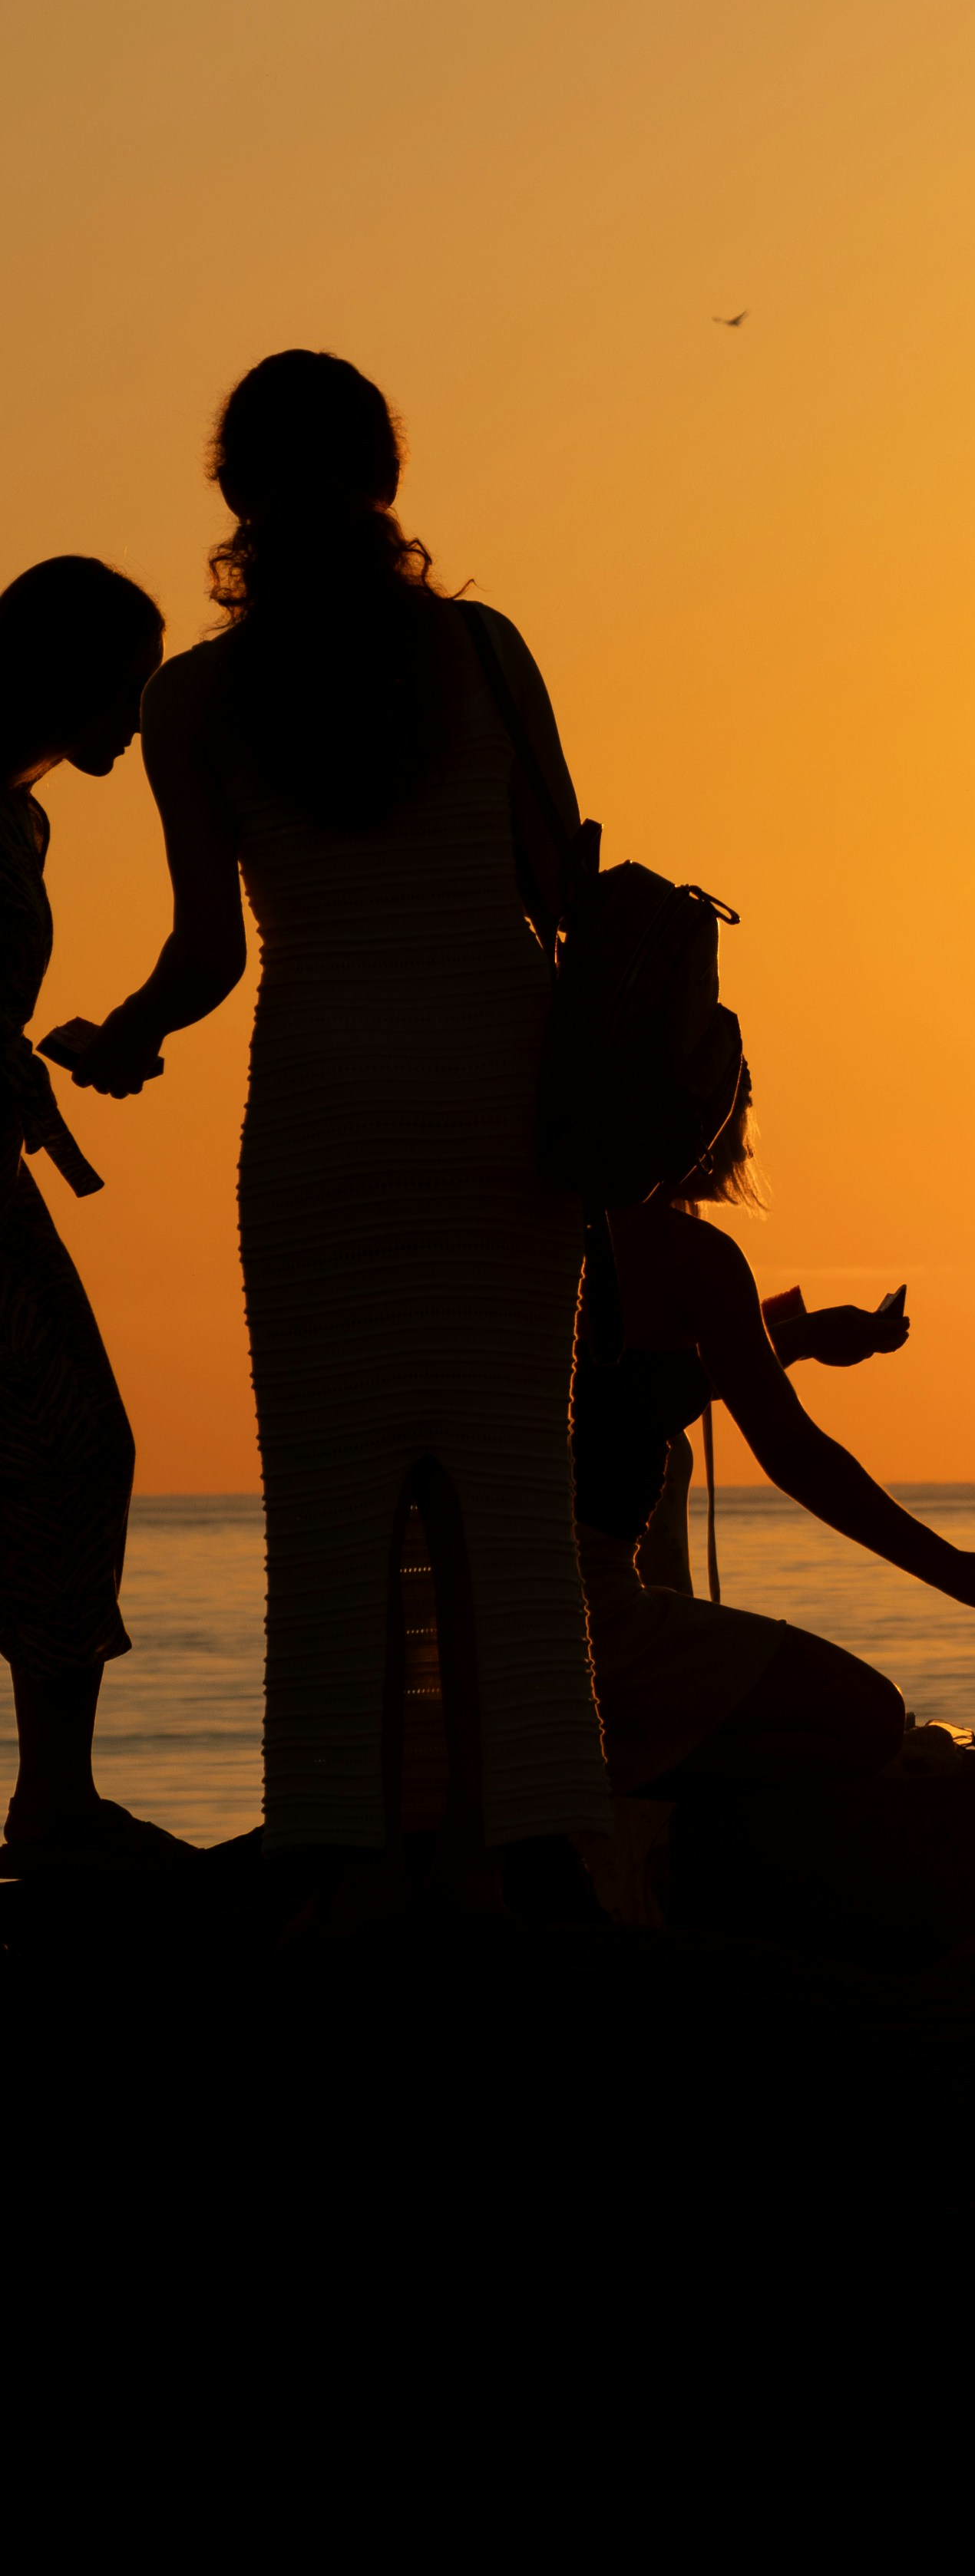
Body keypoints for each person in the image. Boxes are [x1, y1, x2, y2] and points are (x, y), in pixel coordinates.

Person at [48, 354, 607, 1915]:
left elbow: (208, 957)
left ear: (234, 492)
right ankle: (546, 1850)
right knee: (508, 1477)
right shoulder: (481, 653)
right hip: (502, 1089)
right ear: (387, 481)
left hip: (325, 1110)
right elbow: (561, 887)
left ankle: (336, 1846)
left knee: (332, 1486)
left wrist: (122, 1035)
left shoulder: (195, 695)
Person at [577, 1065, 975, 1796]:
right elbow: (795, 1455)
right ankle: (599, 1778)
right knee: (867, 1722)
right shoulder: (693, 1256)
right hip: (590, 1616)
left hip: (486, 1591)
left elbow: (620, 1399)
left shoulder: (540, 1231)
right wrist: (953, 1570)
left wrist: (797, 1338)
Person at [2, 557, 180, 1874]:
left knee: (73, 1451)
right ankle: (54, 1804)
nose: (142, 711)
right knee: (67, 1444)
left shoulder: (25, 823)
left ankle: (56, 1798)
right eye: (128, 682)